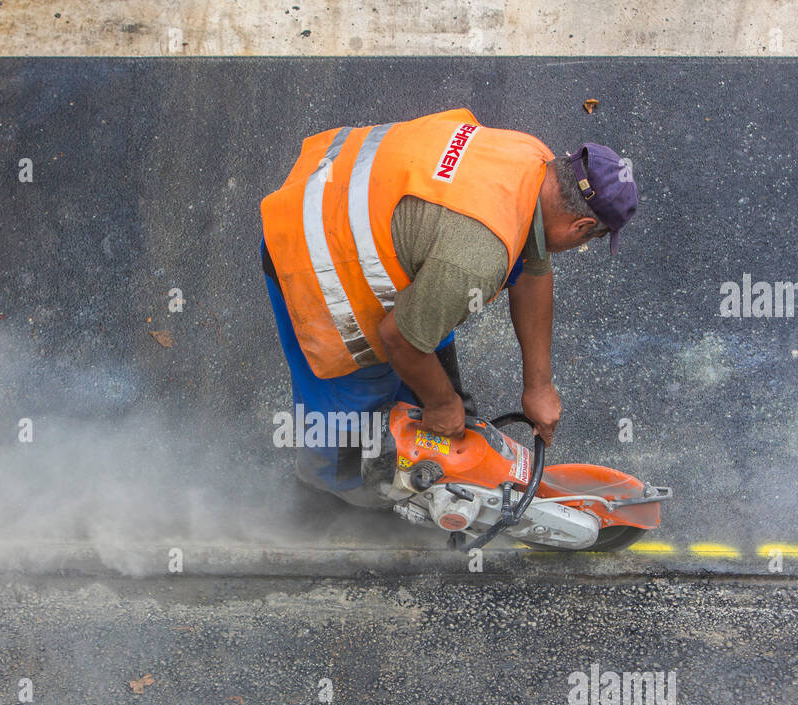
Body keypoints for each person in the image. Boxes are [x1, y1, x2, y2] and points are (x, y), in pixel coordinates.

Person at [260, 107, 637, 506]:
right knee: (349, 425)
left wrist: (538, 385)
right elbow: (401, 339)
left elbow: (533, 271)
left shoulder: (533, 162)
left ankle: (409, 466)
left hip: (353, 195)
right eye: (588, 240)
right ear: (579, 228)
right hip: (309, 251)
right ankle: (324, 506)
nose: (580, 246)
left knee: (439, 389)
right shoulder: (476, 257)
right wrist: (442, 404)